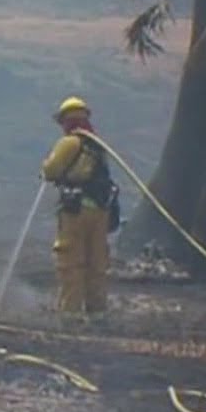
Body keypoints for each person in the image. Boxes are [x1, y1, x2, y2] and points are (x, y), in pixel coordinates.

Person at [40, 96, 119, 315]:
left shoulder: (70, 142)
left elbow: (50, 171)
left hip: (75, 212)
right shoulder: (98, 146)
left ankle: (70, 316)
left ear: (66, 120)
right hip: (100, 211)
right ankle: (98, 312)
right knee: (96, 265)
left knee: (71, 263)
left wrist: (47, 167)